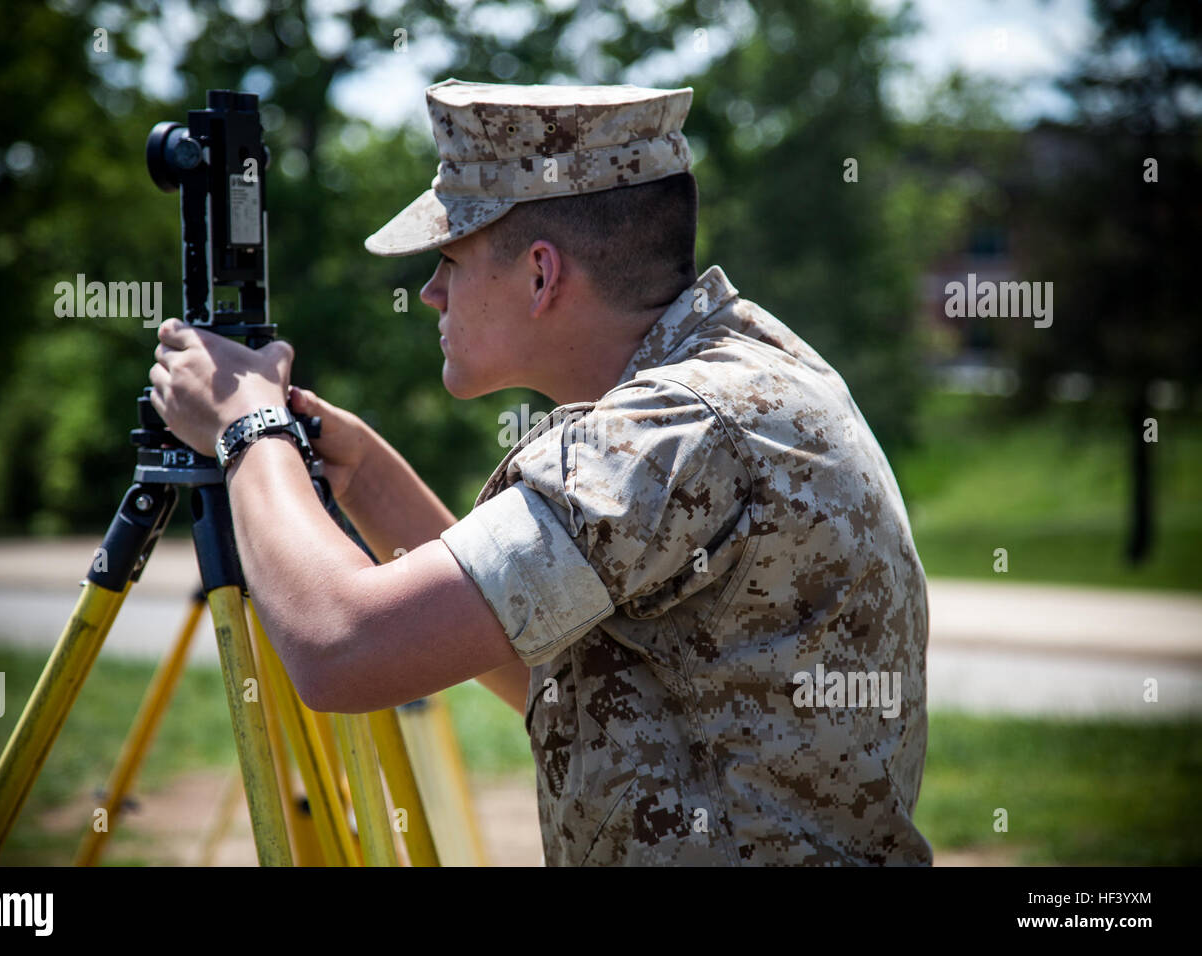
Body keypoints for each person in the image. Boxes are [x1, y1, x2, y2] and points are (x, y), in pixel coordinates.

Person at [148, 78, 934, 866]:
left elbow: (341, 648)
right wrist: (366, 479)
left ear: (539, 275)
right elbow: (558, 675)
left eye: (450, 260)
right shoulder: (747, 374)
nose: (430, 293)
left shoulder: (669, 434)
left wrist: (246, 429)